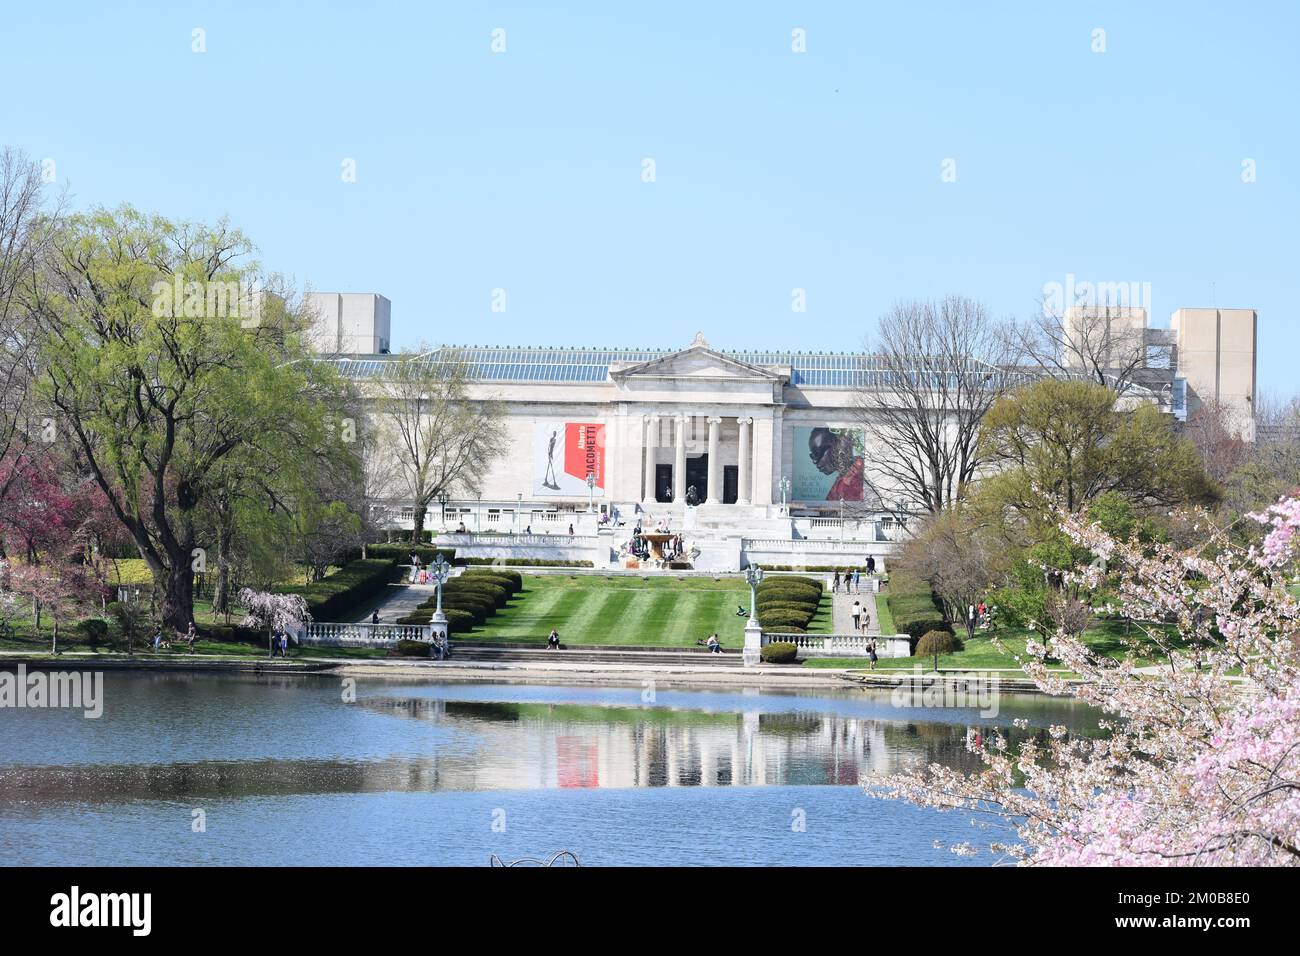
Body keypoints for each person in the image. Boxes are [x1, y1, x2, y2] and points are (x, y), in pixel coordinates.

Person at [806, 427, 865, 501]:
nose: (815, 462)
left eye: (818, 453)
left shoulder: (854, 480)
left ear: (839, 443)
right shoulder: (845, 477)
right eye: (813, 456)